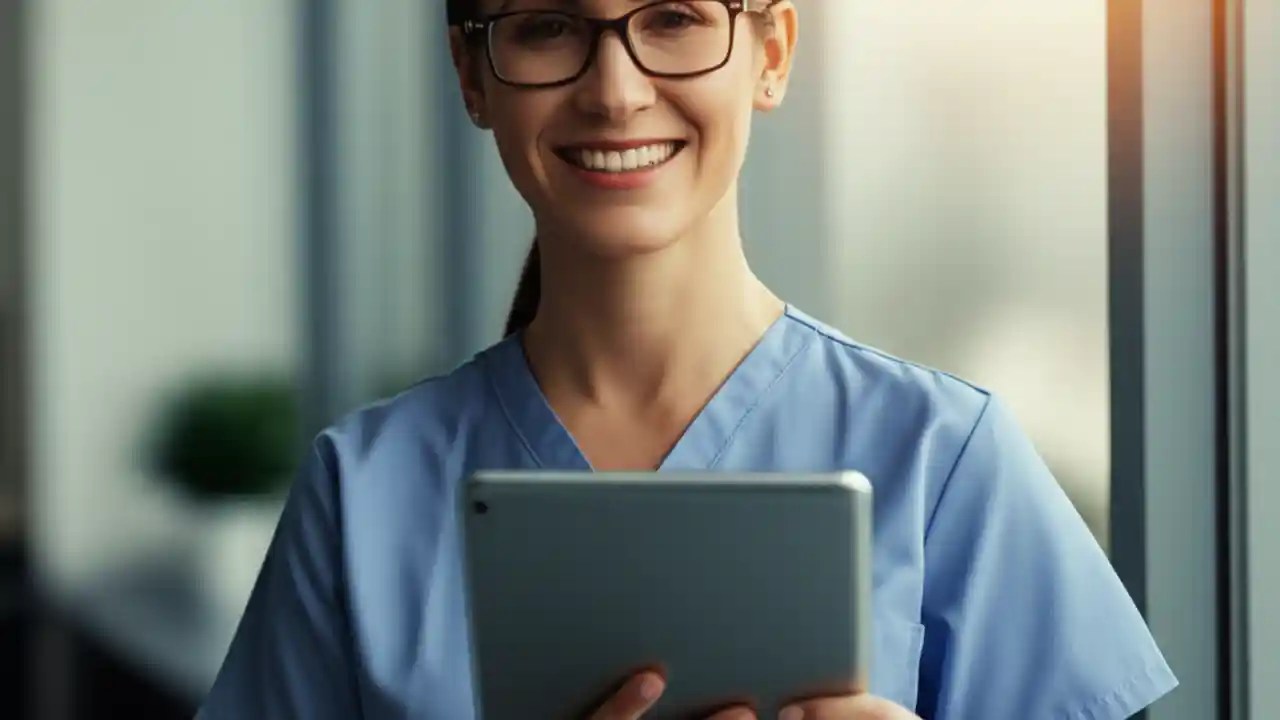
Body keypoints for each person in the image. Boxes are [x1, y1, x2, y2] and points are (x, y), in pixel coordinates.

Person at [199, 1, 1178, 718]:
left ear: (771, 51)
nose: (615, 91)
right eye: (546, 25)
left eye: (670, 18)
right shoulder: (361, 490)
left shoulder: (942, 458)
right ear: (471, 75)